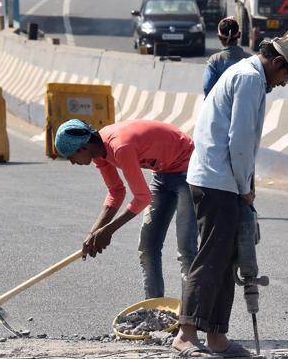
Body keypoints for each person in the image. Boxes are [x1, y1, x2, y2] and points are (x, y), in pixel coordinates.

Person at [171, 32, 288, 359]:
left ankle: (217, 336)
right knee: (211, 257)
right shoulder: (248, 79)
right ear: (277, 62)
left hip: (222, 179)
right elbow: (240, 140)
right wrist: (246, 190)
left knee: (227, 260)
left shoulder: (248, 75)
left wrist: (245, 184)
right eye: (287, 77)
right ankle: (185, 334)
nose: (283, 84)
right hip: (218, 180)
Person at [54, 119, 197, 299]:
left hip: (188, 169)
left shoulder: (120, 147)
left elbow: (142, 197)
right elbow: (116, 192)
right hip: (162, 173)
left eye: (70, 157)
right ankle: (153, 310)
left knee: (186, 248)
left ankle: (189, 318)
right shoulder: (98, 152)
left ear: (83, 147)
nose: (72, 163)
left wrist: (109, 230)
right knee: (148, 245)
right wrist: (93, 233)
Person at [202, 17, 250, 97]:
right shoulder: (251, 60)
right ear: (239, 35)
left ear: (219, 37)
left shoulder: (214, 60)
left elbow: (207, 87)